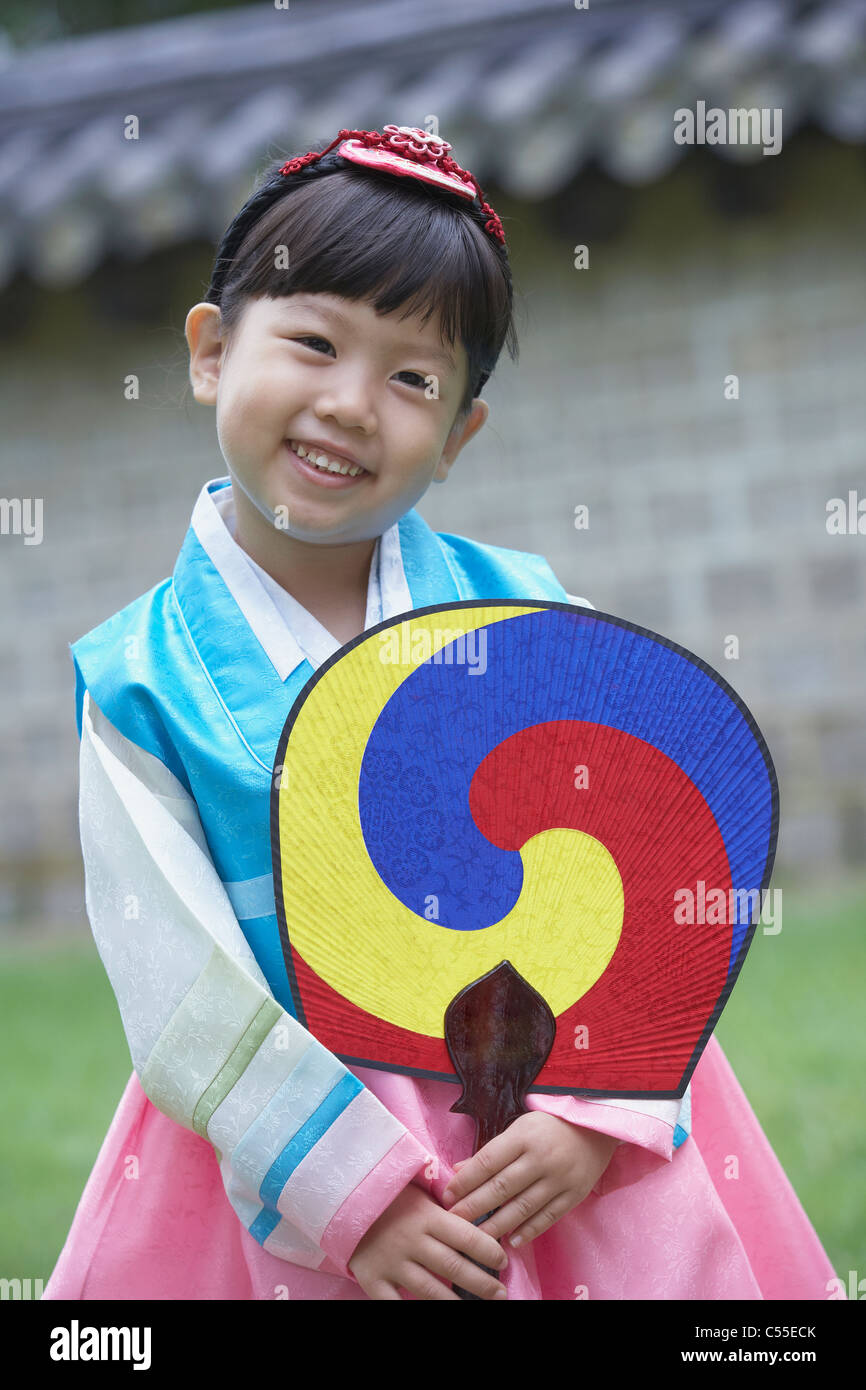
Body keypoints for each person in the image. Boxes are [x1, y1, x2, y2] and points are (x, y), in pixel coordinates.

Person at [44, 125, 837, 1302]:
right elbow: (177, 980)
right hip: (300, 1164)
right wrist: (349, 1202)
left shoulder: (521, 610)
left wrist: (595, 1110)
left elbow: (653, 846)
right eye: (312, 342)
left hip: (556, 1119)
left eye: (413, 377)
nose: (349, 404)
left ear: (460, 433)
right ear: (211, 350)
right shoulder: (138, 684)